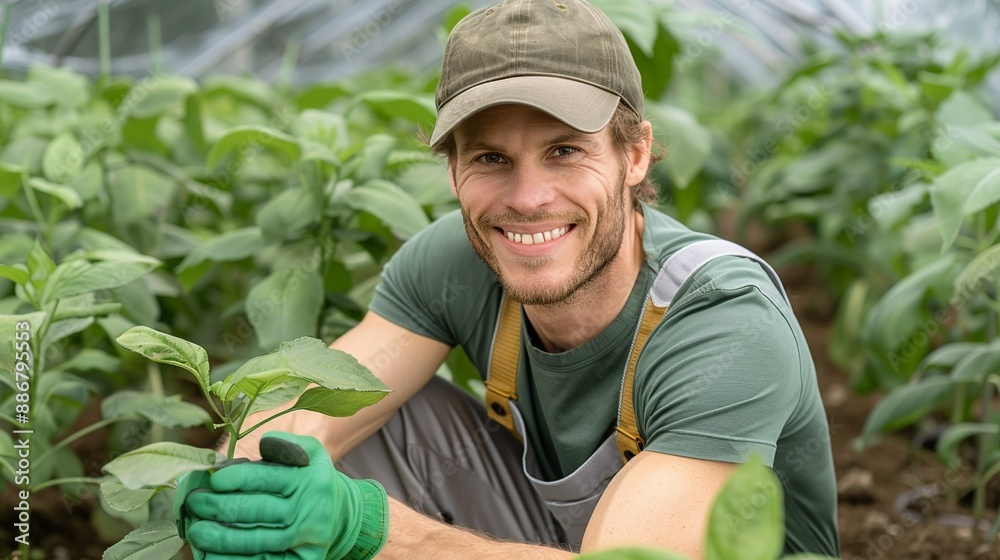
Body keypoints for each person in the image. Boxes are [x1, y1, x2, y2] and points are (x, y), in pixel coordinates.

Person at [172, 0, 841, 558]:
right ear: (454, 172)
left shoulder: (723, 322)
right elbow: (297, 414)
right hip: (557, 540)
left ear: (635, 155)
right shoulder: (455, 261)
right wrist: (237, 484)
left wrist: (370, 529)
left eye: (564, 152)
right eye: (491, 157)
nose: (526, 198)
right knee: (357, 425)